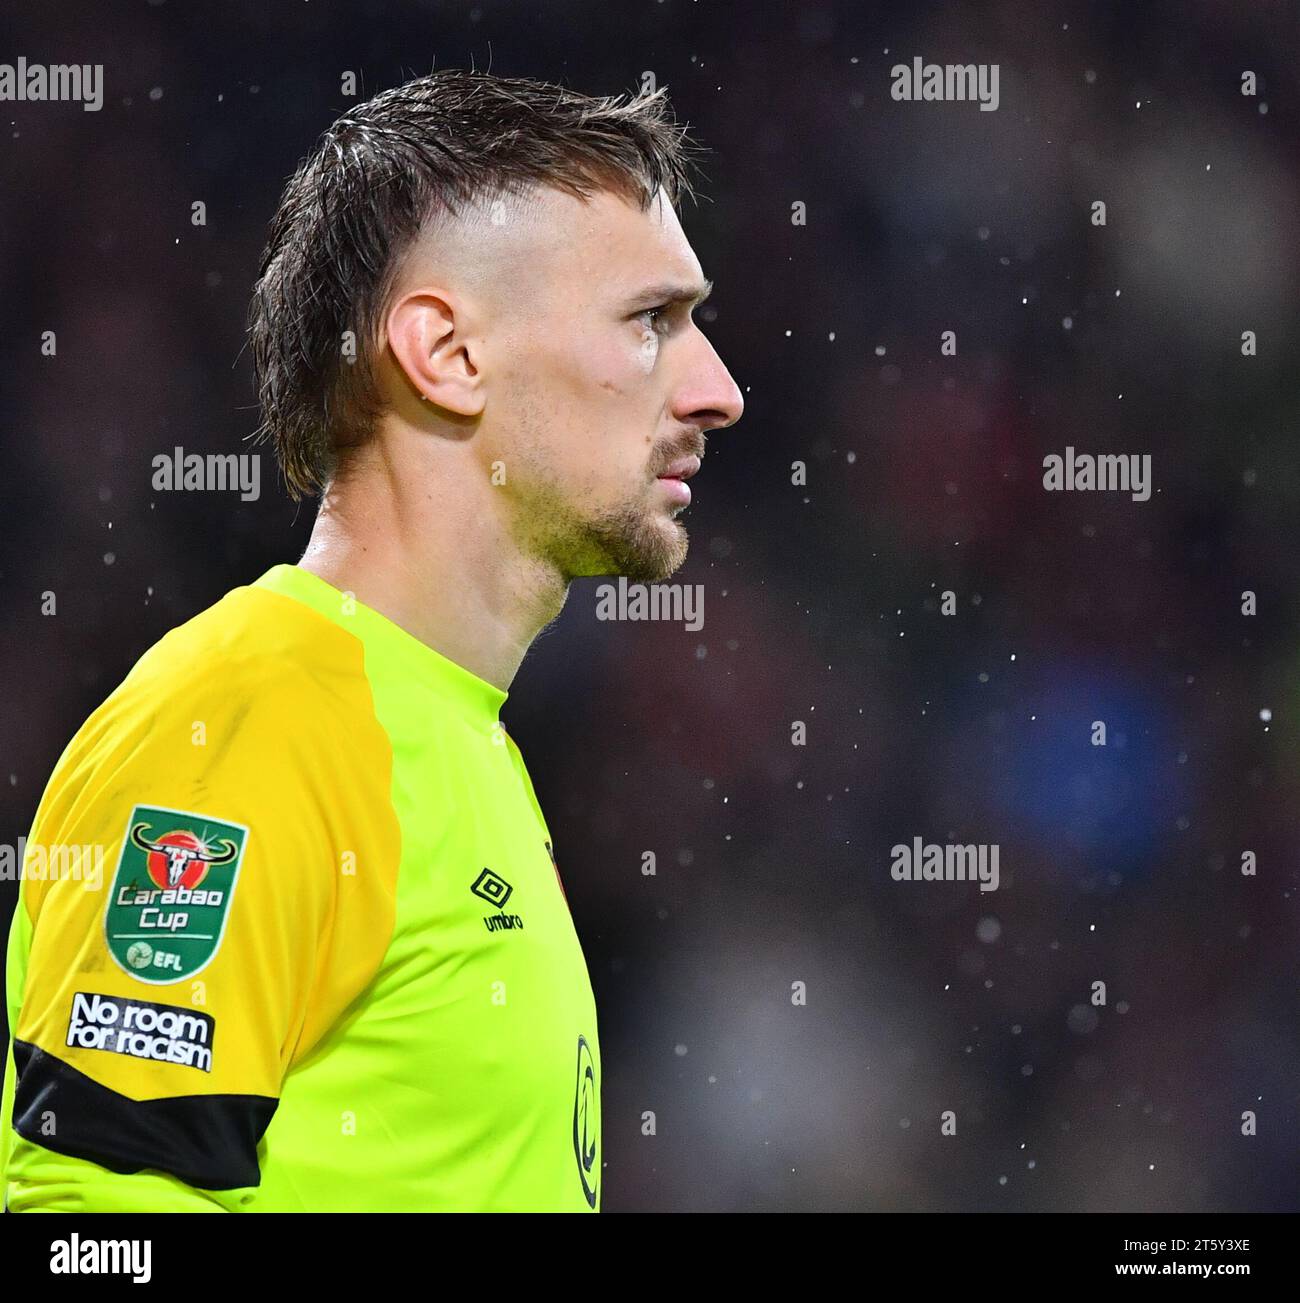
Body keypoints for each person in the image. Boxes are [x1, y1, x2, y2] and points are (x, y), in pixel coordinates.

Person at [0, 67, 743, 1212]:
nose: (719, 389)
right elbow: (88, 1225)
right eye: (651, 321)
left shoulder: (450, 737)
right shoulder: (249, 727)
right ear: (445, 353)